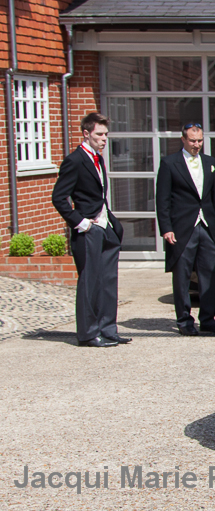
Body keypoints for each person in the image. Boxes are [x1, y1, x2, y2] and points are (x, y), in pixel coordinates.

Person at [52, 112, 128, 347]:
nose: (104, 139)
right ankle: (88, 334)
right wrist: (81, 223)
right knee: (90, 283)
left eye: (106, 134)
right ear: (86, 134)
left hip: (105, 227)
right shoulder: (75, 160)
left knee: (108, 281)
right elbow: (58, 197)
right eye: (99, 134)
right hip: (88, 230)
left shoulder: (98, 158)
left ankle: (108, 329)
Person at [156, 123, 215, 336]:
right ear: (183, 139)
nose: (197, 145)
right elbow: (163, 200)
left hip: (207, 226)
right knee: (182, 276)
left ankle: (207, 320)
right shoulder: (169, 163)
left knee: (209, 272)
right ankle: (184, 321)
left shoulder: (210, 162)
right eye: (192, 141)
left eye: (199, 141)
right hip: (182, 228)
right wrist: (166, 228)